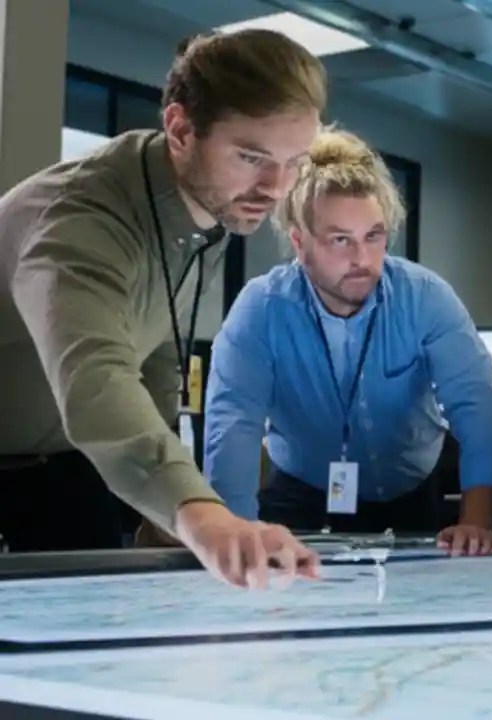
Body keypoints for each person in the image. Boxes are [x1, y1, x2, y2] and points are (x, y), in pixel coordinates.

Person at [0, 30, 325, 587]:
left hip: (60, 462)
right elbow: (96, 379)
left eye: (294, 162)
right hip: (63, 429)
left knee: (96, 622)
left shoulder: (210, 212)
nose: (275, 188)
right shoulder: (81, 219)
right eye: (251, 156)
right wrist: (201, 515)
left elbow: (155, 356)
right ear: (179, 128)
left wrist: (168, 507)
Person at [203, 129, 492, 557]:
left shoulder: (425, 297)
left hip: (413, 492)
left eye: (374, 236)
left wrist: (477, 523)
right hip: (302, 491)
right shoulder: (260, 310)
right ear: (299, 241)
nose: (362, 260)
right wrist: (236, 538)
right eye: (340, 240)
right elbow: (232, 426)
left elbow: (477, 407)